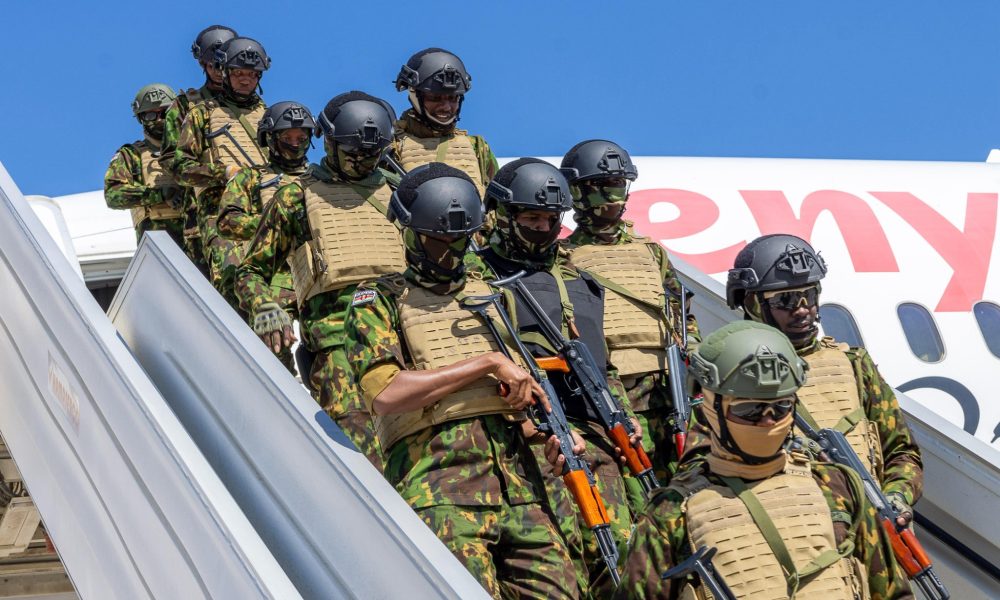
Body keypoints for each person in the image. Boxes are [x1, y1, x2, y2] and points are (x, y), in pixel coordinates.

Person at [344, 163, 583, 598]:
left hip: (525, 484)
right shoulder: (377, 297)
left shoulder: (492, 293)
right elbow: (384, 393)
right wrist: (485, 363)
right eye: (437, 240)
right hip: (440, 487)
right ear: (411, 234)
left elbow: (525, 388)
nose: (449, 251)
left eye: (460, 239)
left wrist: (554, 436)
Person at [616, 321, 914, 599]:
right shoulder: (672, 512)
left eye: (781, 407)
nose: (768, 421)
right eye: (750, 410)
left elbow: (891, 591)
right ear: (710, 407)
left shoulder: (836, 485)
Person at [472, 158, 639, 592]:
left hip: (595, 442)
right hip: (525, 447)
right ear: (502, 216)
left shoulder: (580, 280)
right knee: (557, 574)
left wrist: (623, 414)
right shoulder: (476, 279)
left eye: (552, 219)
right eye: (531, 218)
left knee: (618, 559)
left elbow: (604, 363)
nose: (544, 228)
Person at [234, 92, 404, 470]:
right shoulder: (296, 197)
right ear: (329, 143)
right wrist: (264, 304)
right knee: (362, 463)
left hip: (404, 337)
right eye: (353, 152)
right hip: (338, 346)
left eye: (372, 154)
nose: (363, 162)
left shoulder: (403, 194)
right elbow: (249, 271)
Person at [725, 234, 923, 523]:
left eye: (810, 295)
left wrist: (896, 496)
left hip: (874, 531)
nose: (803, 309)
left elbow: (902, 452)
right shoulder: (727, 379)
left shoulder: (855, 365)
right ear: (754, 304)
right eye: (786, 300)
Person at [560, 139, 701, 495]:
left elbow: (680, 314)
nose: (613, 195)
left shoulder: (651, 251)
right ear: (577, 193)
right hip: (620, 386)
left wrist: (693, 361)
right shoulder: (565, 257)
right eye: (601, 187)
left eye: (619, 185)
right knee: (637, 485)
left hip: (669, 384)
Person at [218, 101, 314, 372]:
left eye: (301, 138)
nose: (295, 144)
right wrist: (275, 224)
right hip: (273, 274)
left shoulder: (320, 180)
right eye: (287, 138)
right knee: (270, 349)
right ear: (271, 140)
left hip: (315, 270)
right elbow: (227, 223)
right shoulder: (250, 179)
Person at [172, 36, 269, 306]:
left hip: (266, 209)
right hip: (219, 212)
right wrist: (223, 173)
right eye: (238, 73)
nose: (245, 80)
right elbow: (181, 167)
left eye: (252, 74)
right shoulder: (201, 114)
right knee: (231, 283)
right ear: (225, 72)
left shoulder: (270, 116)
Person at [163, 24, 239, 276]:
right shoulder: (186, 106)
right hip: (206, 210)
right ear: (202, 65)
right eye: (212, 65)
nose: (218, 72)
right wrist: (222, 173)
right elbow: (173, 161)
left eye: (223, 65)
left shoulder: (254, 107)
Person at [389, 48, 498, 195]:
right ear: (415, 94)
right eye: (435, 98)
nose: (446, 107)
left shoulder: (477, 148)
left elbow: (499, 209)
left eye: (453, 98)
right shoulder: (391, 148)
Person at [104, 84, 185, 246]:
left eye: (165, 113)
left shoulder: (192, 149)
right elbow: (114, 195)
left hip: (199, 240)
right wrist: (160, 194)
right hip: (160, 242)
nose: (160, 120)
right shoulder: (131, 155)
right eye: (151, 116)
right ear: (141, 118)